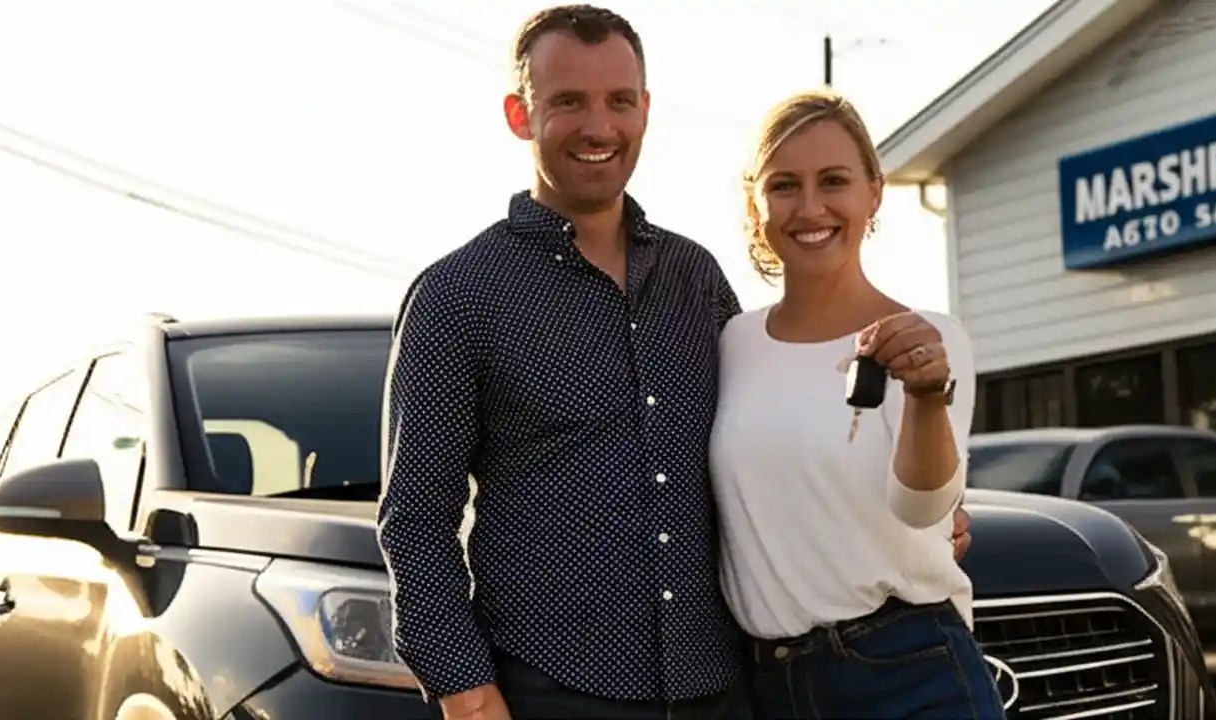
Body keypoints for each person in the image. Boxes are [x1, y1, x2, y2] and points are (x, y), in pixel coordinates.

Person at [378, 5, 973, 719]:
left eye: (619, 101)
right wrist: (467, 696)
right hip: (555, 692)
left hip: (723, 690)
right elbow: (415, 518)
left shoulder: (696, 281)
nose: (599, 127)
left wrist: (924, 506)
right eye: (568, 101)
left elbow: (773, 437)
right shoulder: (459, 295)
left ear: (645, 111)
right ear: (519, 113)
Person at [709, 88, 1006, 719]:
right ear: (755, 203)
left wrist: (927, 395)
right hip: (769, 686)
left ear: (874, 192)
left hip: (908, 672)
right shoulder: (731, 341)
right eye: (785, 185)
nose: (810, 207)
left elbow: (925, 506)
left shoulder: (931, 338)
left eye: (834, 180)